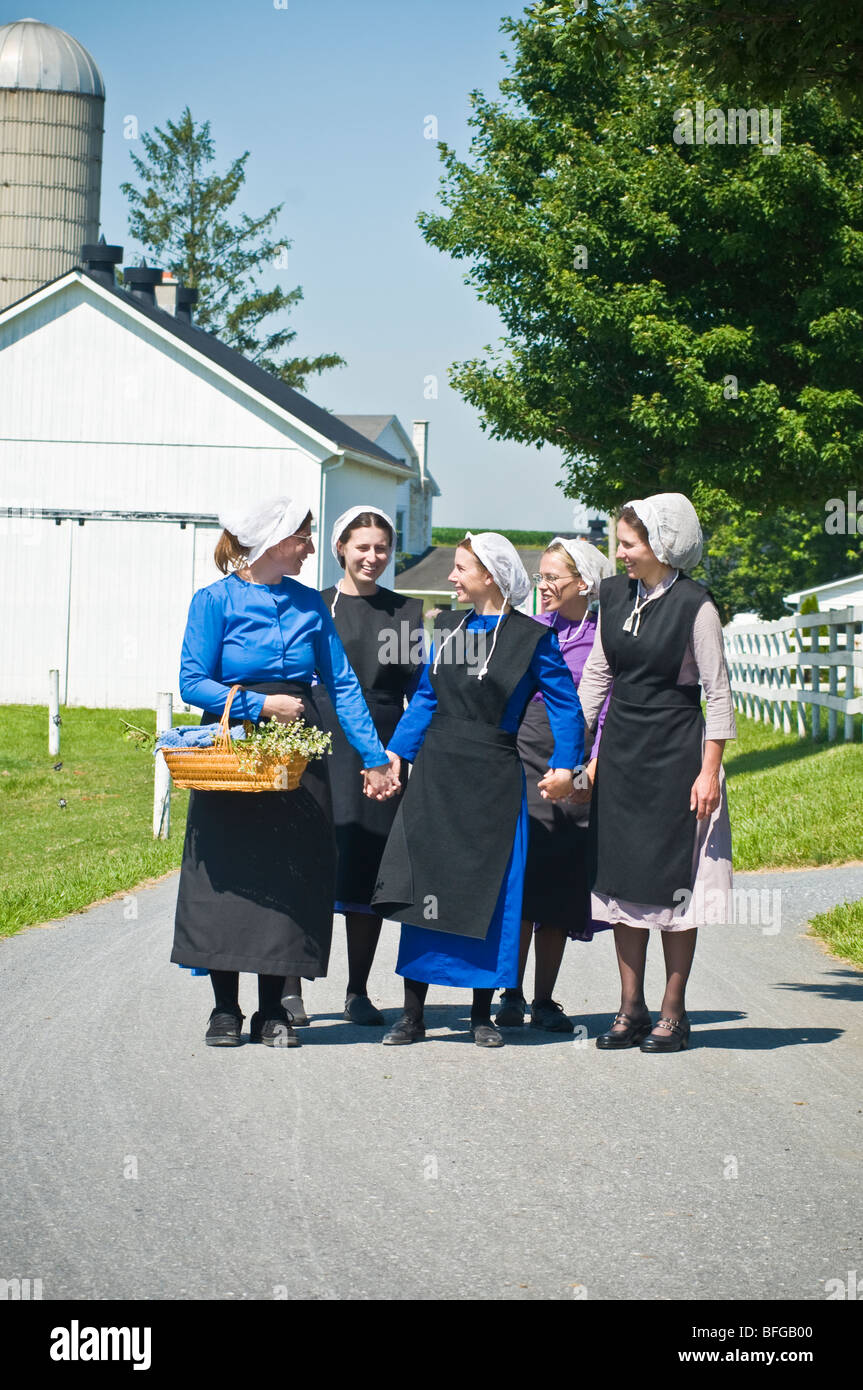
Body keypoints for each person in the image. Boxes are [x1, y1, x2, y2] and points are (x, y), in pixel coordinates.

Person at [170, 497, 397, 1049]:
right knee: (227, 874)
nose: (311, 548)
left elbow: (341, 683)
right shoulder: (213, 602)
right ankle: (225, 1010)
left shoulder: (308, 605)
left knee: (288, 875)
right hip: (232, 747)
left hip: (300, 752)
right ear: (273, 541)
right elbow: (192, 681)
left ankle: (272, 1009)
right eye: (303, 538)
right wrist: (260, 706)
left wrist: (373, 756)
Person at [372, 533, 586, 1047]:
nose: (451, 577)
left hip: (492, 777)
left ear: (488, 575)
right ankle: (413, 1015)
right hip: (438, 776)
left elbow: (566, 708)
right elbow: (425, 696)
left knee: (489, 895)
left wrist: (564, 767)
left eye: (461, 568)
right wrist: (396, 755)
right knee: (427, 889)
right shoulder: (446, 626)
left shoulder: (532, 638)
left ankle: (481, 1015)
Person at [575, 494, 736, 1053]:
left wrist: (709, 773)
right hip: (621, 752)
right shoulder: (614, 594)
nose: (619, 554)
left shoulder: (697, 606)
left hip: (677, 757)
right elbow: (597, 673)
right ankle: (630, 1008)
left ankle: (673, 1011)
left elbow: (717, 693)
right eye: (619, 543)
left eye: (629, 544)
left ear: (663, 545)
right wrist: (577, 744)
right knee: (622, 879)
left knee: (672, 885)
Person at [303, 505, 425, 1027]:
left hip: (380, 751)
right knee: (308, 865)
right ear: (340, 549)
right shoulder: (314, 607)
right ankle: (290, 990)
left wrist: (398, 753)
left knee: (369, 869)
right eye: (362, 547)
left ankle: (357, 990)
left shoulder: (405, 613)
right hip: (316, 741)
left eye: (381, 548)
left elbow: (421, 693)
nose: (372, 557)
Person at [497, 536, 614, 1033]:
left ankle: (545, 999)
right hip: (525, 758)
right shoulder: (528, 629)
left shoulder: (604, 640)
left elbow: (608, 712)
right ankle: (511, 993)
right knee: (522, 880)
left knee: (561, 885)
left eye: (552, 578)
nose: (542, 586)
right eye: (540, 576)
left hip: (577, 765)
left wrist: (592, 769)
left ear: (583, 584)